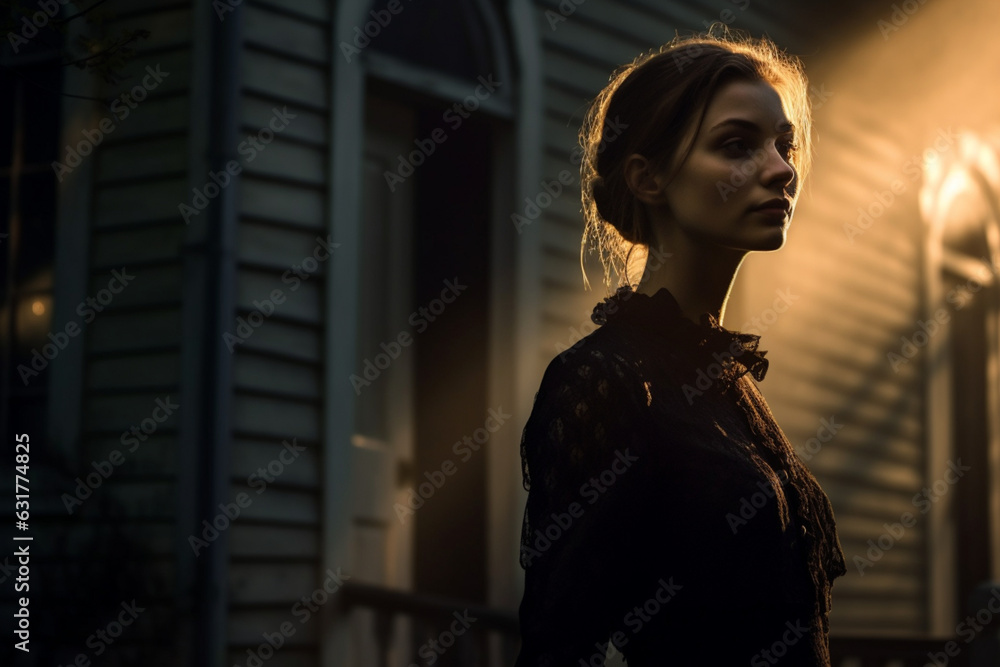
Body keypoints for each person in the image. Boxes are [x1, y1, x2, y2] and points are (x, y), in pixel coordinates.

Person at [514, 28, 847, 666]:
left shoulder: (726, 378)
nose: (782, 169)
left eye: (783, 144)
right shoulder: (603, 380)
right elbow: (560, 645)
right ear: (649, 178)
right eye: (736, 146)